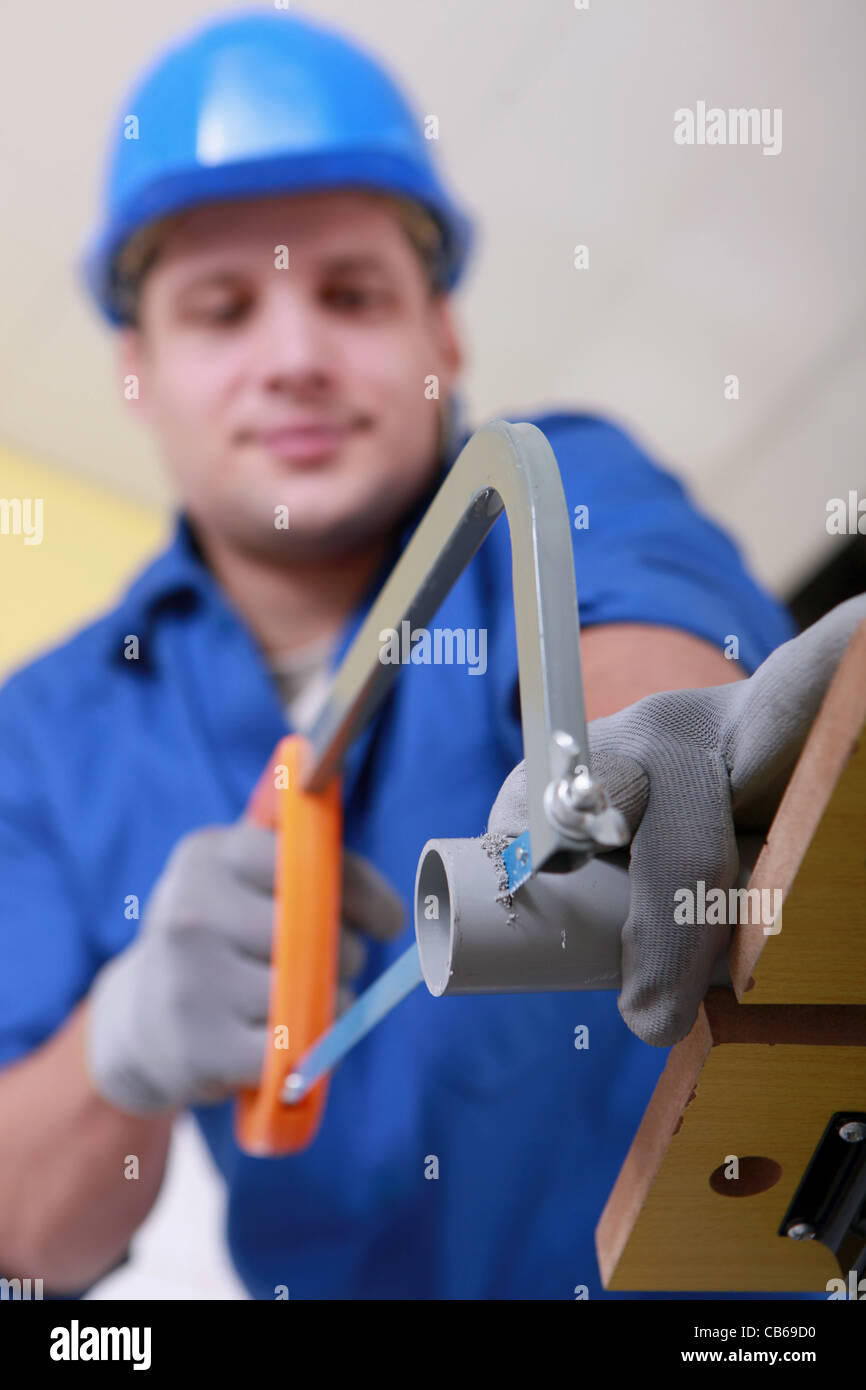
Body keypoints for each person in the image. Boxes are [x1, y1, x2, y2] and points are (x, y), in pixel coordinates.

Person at [0, 10, 812, 1299]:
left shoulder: (558, 488)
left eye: (351, 294)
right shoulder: (37, 738)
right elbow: (26, 1238)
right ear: (138, 373)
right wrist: (120, 1044)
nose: (296, 358)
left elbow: (647, 647)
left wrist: (639, 759)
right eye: (222, 309)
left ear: (445, 334)